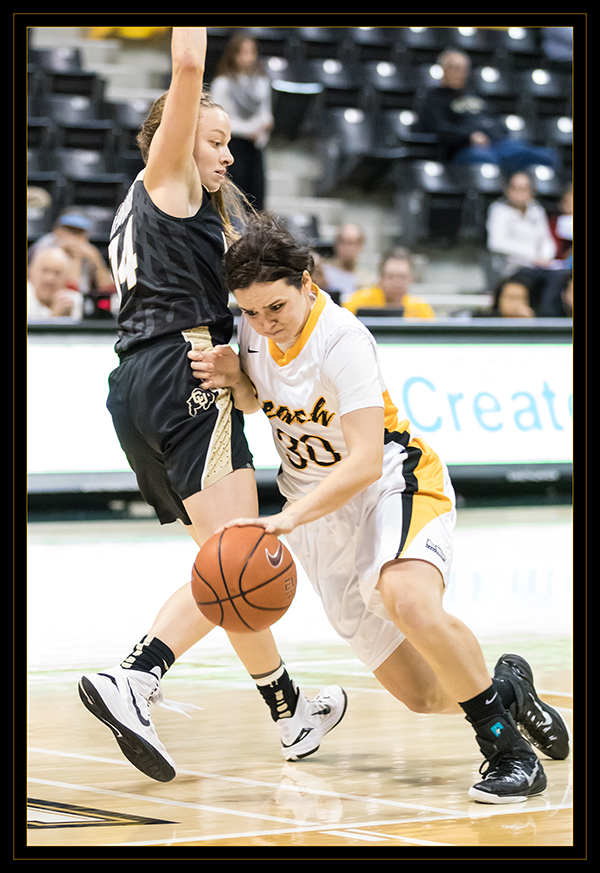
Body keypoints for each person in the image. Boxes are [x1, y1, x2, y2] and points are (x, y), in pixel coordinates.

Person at [188, 213, 570, 803]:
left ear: (307, 283)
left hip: (392, 483)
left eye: (275, 309)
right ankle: (507, 692)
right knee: (421, 694)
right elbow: (261, 400)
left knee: (408, 598)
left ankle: (508, 752)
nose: (265, 324)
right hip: (319, 512)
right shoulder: (255, 335)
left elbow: (365, 460)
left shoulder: (342, 339)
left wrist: (287, 519)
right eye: (250, 312)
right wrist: (238, 379)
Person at [77, 28, 346, 785]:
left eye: (230, 142)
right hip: (182, 369)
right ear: (174, 136)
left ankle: (289, 708)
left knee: (225, 564)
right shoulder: (169, 178)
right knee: (237, 557)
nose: (227, 154)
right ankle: (137, 675)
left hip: (136, 382)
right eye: (216, 139)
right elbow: (189, 61)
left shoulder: (148, 208)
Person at [418, 50, 561, 177]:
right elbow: (440, 129)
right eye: (454, 68)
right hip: (465, 149)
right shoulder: (434, 98)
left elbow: (496, 120)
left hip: (498, 145)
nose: (459, 73)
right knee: (486, 162)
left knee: (546, 156)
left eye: (463, 69)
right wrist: (469, 136)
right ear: (443, 69)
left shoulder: (475, 94)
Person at [209, 31, 273, 211]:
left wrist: (265, 123)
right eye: (243, 52)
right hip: (233, 145)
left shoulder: (261, 81)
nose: (248, 57)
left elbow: (265, 112)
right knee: (236, 198)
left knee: (256, 199)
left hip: (255, 145)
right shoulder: (223, 83)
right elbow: (219, 118)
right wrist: (247, 130)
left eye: (251, 52)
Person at [486, 171, 557, 280]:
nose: (520, 193)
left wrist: (546, 257)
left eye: (524, 189)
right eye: (516, 188)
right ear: (507, 189)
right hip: (510, 265)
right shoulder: (498, 210)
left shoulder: (536, 210)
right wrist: (532, 257)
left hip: (538, 264)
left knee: (560, 275)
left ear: (531, 191)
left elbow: (545, 238)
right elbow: (496, 243)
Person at [28, 209, 115, 294]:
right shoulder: (46, 246)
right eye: (68, 231)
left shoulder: (89, 250)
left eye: (78, 233)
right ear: (57, 230)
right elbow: (72, 288)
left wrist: (96, 260)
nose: (72, 237)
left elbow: (107, 288)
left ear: (86, 236)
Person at [344, 249, 435, 318]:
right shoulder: (359, 302)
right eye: (391, 277)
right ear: (381, 278)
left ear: (410, 279)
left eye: (402, 277)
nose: (397, 283)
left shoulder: (420, 307)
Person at [319, 224, 372, 304]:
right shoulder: (323, 273)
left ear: (361, 246)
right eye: (343, 243)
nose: (348, 248)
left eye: (352, 243)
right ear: (336, 244)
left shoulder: (368, 280)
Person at [27, 246, 82, 321]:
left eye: (57, 273)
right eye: (45, 270)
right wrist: (55, 318)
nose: (50, 278)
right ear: (30, 271)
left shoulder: (77, 302)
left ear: (67, 278)